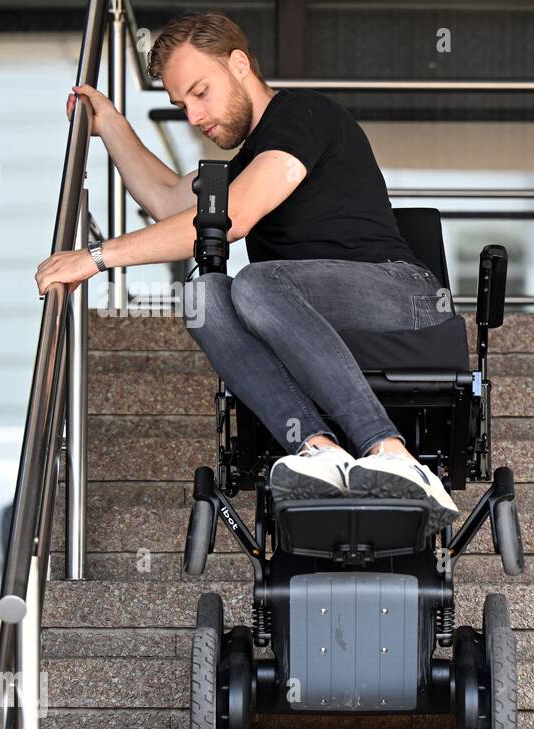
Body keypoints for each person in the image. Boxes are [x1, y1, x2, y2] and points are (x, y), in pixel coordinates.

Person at [33, 11, 460, 529]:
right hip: (301, 303)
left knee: (257, 281)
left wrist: (97, 257)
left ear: (239, 64)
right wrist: (113, 127)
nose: (192, 116)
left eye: (200, 92)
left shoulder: (303, 114)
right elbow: (172, 202)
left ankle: (391, 452)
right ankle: (319, 449)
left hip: (400, 293)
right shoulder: (243, 163)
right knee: (204, 295)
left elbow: (231, 217)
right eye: (180, 104)